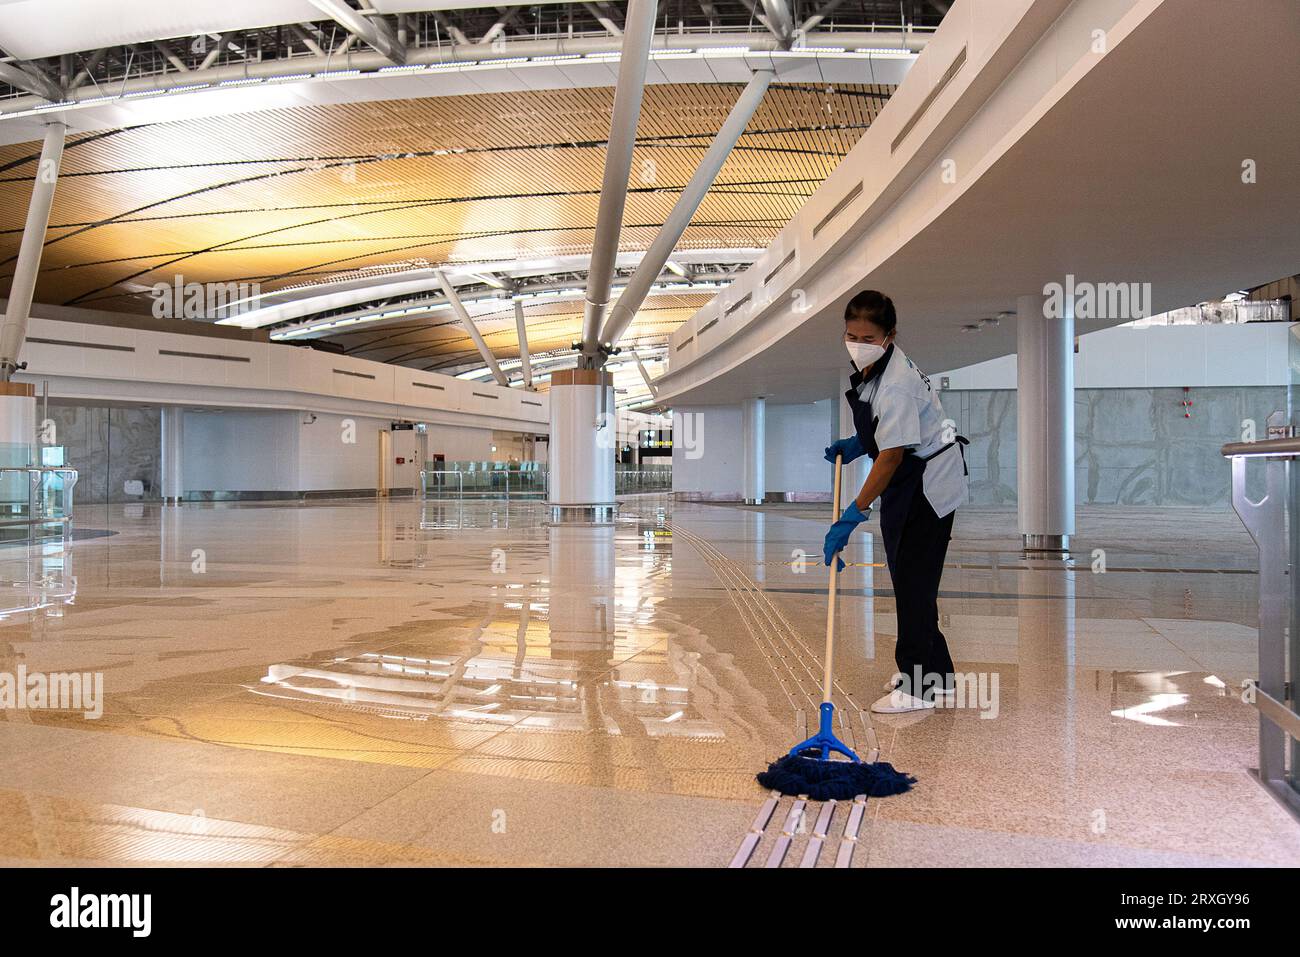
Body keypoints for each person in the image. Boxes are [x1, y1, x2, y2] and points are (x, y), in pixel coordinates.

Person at [822, 290, 968, 714]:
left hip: (926, 485)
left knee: (913, 585)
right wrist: (857, 441)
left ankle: (919, 687)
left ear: (889, 337)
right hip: (915, 477)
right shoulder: (877, 368)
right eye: (851, 335)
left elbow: (890, 458)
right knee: (915, 582)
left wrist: (853, 513)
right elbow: (885, 434)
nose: (858, 344)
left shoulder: (897, 385)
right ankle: (938, 677)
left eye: (868, 337)